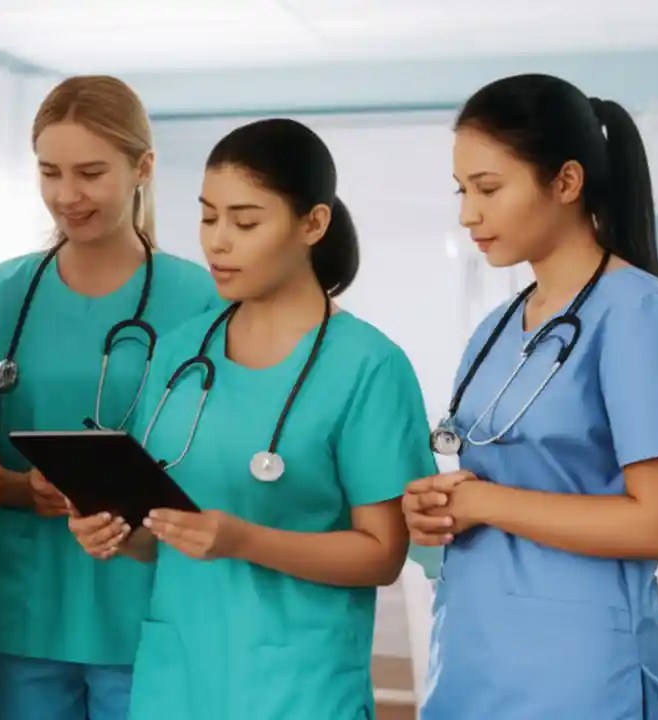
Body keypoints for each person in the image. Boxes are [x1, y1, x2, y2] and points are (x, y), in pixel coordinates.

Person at [70, 118, 434, 720]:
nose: (217, 241)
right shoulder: (179, 351)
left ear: (312, 224)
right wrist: (112, 531)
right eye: (208, 217)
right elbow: (162, 532)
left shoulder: (368, 366)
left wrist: (244, 540)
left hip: (298, 686)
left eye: (245, 222)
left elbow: (381, 554)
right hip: (176, 676)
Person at [405, 73, 658, 720]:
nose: (467, 213)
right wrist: (441, 505)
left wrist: (485, 500)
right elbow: (494, 478)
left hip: (583, 670)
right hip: (473, 654)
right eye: (462, 190)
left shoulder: (636, 312)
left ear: (566, 183)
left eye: (488, 188)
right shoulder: (499, 328)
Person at [0, 75, 219, 720]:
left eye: (89, 172)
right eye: (49, 172)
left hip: (146, 604)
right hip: (27, 609)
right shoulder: (0, 296)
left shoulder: (203, 301)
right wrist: (29, 489)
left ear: (143, 168)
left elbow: (214, 453)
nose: (66, 196)